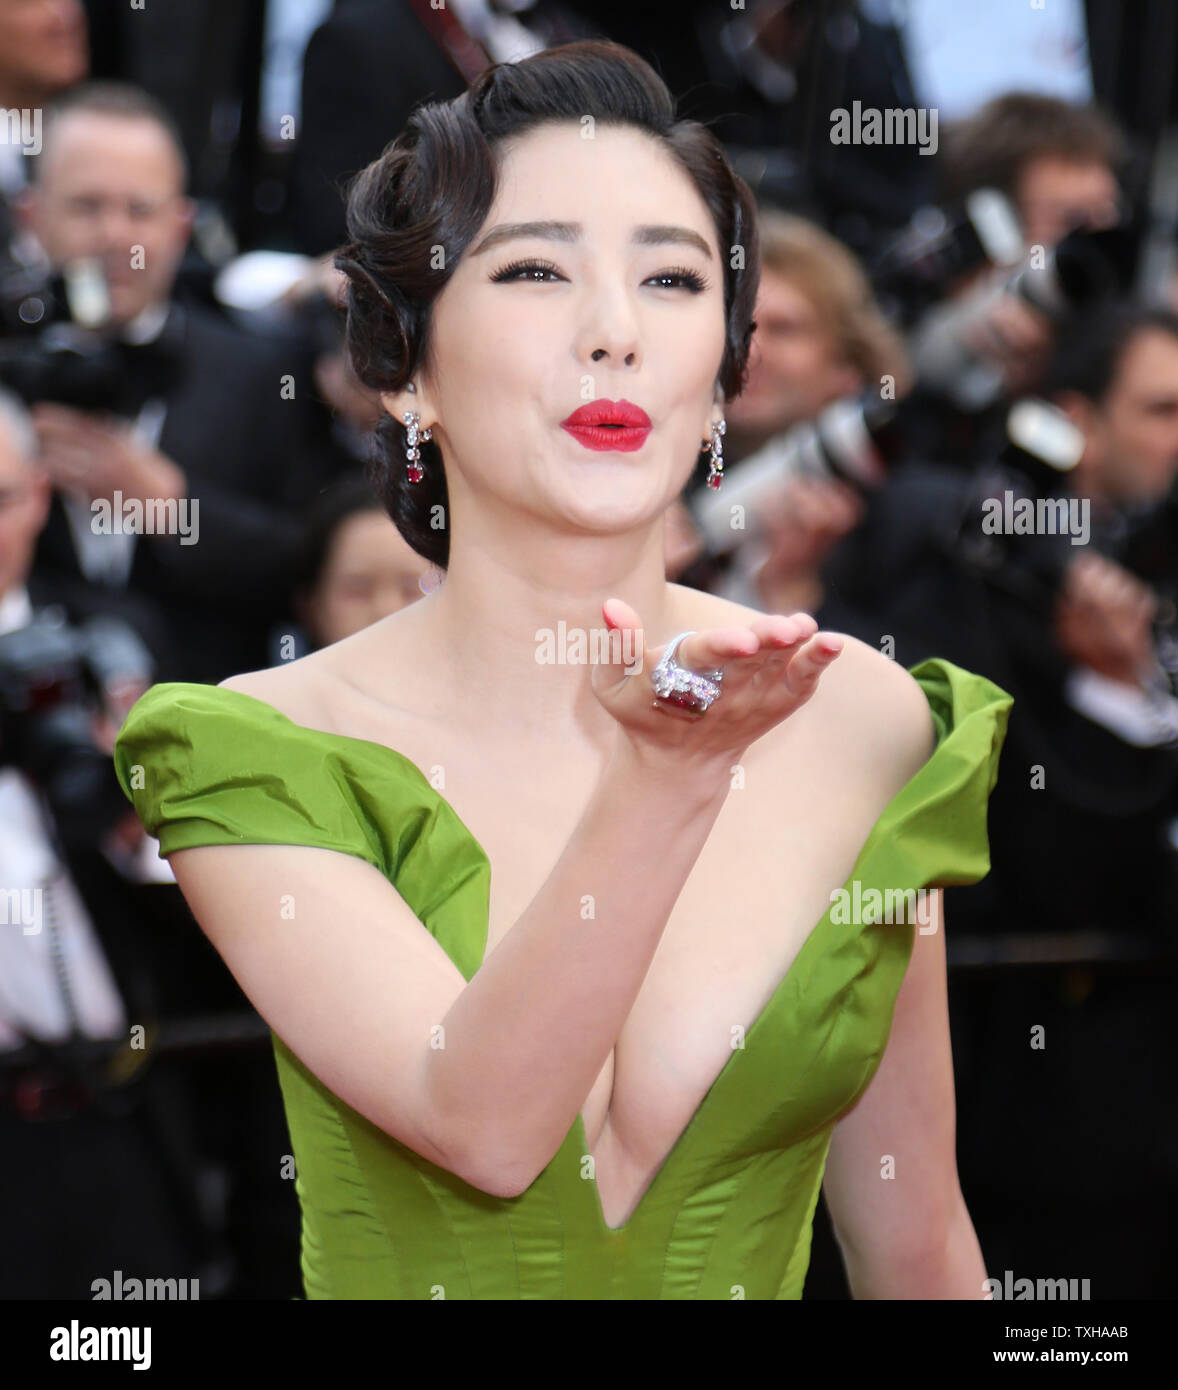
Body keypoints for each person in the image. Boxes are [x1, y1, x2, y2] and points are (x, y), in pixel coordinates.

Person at [113, 39, 1012, 1300]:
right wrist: (665, 777)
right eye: (535, 269)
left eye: (670, 278)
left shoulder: (856, 712)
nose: (613, 333)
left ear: (725, 372)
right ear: (405, 364)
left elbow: (915, 1247)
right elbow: (480, 1123)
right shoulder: (261, 745)